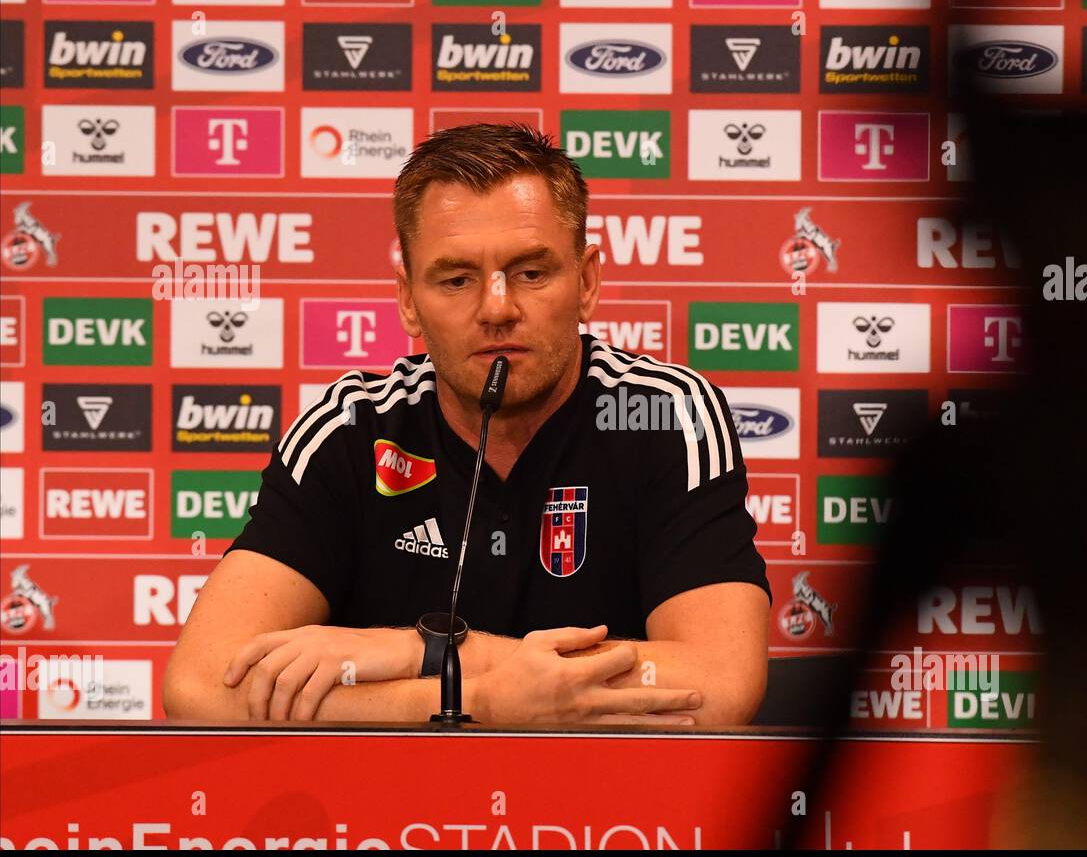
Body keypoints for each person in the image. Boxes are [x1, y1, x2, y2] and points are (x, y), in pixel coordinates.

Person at [162, 123, 771, 726]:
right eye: (456, 280)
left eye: (531, 273)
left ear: (586, 282)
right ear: (408, 300)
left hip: (606, 818)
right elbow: (199, 686)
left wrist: (429, 651)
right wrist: (469, 701)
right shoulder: (352, 431)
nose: (497, 308)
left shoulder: (666, 417)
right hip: (392, 820)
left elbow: (720, 684)